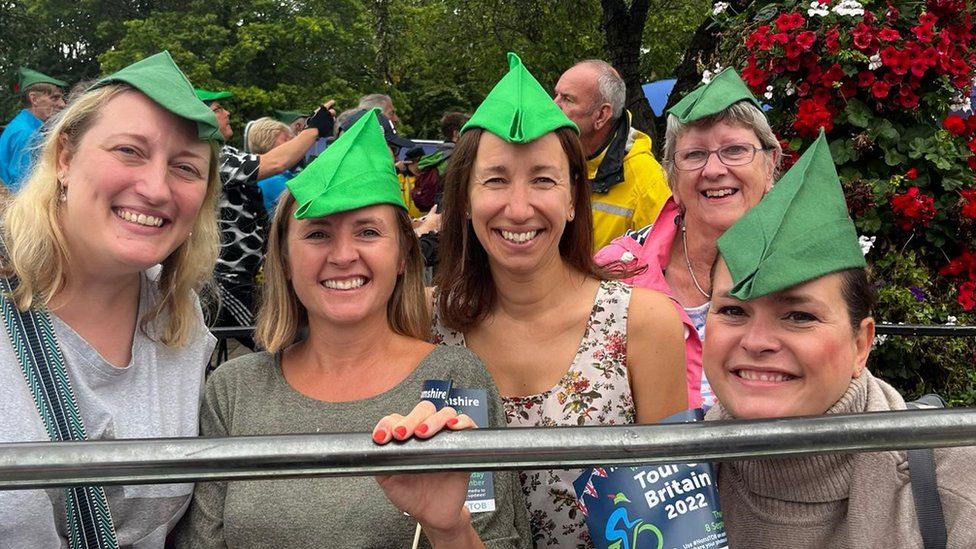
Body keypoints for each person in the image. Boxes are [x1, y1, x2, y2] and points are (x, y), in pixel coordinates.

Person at [174, 109, 531, 548]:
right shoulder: (233, 391)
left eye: (367, 232)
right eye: (318, 234)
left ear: (403, 255)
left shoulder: (457, 382)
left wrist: (450, 529)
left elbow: (500, 540)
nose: (343, 255)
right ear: (284, 260)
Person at [433, 53, 687, 548]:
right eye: (497, 179)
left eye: (543, 179)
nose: (520, 207)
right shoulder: (426, 323)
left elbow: (676, 522)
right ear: (464, 199)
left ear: (574, 198)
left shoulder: (643, 323)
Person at [704, 132, 976, 547]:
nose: (756, 342)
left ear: (861, 344)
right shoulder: (667, 479)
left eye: (799, 315)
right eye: (733, 311)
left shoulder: (956, 490)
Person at [0, 51, 222, 547]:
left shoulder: (181, 322)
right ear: (64, 159)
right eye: (129, 150)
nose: (156, 187)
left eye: (186, 167)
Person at [595, 68, 782, 410]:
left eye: (735, 150)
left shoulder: (809, 268)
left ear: (769, 165)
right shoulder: (616, 271)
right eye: (694, 155)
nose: (713, 170)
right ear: (670, 177)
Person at [196, 87, 336, 349]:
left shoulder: (228, 155)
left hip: (240, 279)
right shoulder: (209, 157)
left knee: (280, 338)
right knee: (274, 343)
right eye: (218, 109)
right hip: (224, 282)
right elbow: (273, 163)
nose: (227, 113)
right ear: (200, 117)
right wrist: (314, 129)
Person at [553, 59, 671, 250]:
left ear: (601, 116)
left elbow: (658, 265)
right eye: (556, 95)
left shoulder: (648, 183)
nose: (553, 106)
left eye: (567, 99)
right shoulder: (553, 158)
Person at [0, 67, 67, 191]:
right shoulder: (28, 134)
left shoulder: (20, 125)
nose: (62, 104)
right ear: (34, 99)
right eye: (55, 98)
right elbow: (25, 189)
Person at [245, 116, 294, 213]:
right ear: (266, 143)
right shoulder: (272, 180)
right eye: (285, 139)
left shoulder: (274, 176)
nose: (292, 143)